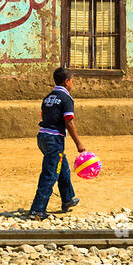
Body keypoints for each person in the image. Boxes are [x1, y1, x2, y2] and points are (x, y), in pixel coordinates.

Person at [30, 67, 84, 220]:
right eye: (72, 81)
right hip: (54, 140)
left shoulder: (47, 97)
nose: (72, 84)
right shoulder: (67, 99)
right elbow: (69, 123)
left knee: (62, 167)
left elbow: (44, 115)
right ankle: (37, 209)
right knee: (50, 173)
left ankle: (67, 199)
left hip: (43, 137)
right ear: (66, 82)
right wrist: (79, 144)